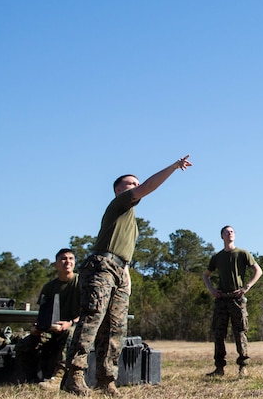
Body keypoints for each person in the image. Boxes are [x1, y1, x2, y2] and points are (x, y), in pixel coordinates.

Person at [61, 155, 192, 396]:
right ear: (119, 190)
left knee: (116, 329)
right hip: (102, 266)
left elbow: (125, 253)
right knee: (92, 320)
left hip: (120, 270)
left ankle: (106, 380)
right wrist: (174, 167)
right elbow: (148, 187)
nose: (135, 186)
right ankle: (73, 376)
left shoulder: (130, 219)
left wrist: (126, 276)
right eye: (131, 183)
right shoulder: (120, 203)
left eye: (136, 183)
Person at [202, 226, 262, 377]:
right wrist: (212, 290)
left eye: (232, 231)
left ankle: (243, 367)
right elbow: (206, 275)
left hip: (237, 300)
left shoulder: (242, 253)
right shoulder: (217, 257)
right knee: (219, 334)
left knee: (240, 333)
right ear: (221, 236)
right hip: (222, 300)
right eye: (226, 232)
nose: (230, 234)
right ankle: (219, 368)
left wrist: (247, 286)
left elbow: (258, 271)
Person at [16, 248, 81, 388]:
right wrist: (38, 327)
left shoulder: (81, 283)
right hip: (52, 328)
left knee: (70, 335)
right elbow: (44, 312)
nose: (67, 262)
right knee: (24, 343)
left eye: (71, 258)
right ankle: (32, 379)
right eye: (63, 259)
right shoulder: (49, 287)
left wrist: (69, 323)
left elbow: (89, 313)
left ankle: (57, 379)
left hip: (75, 326)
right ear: (55, 264)